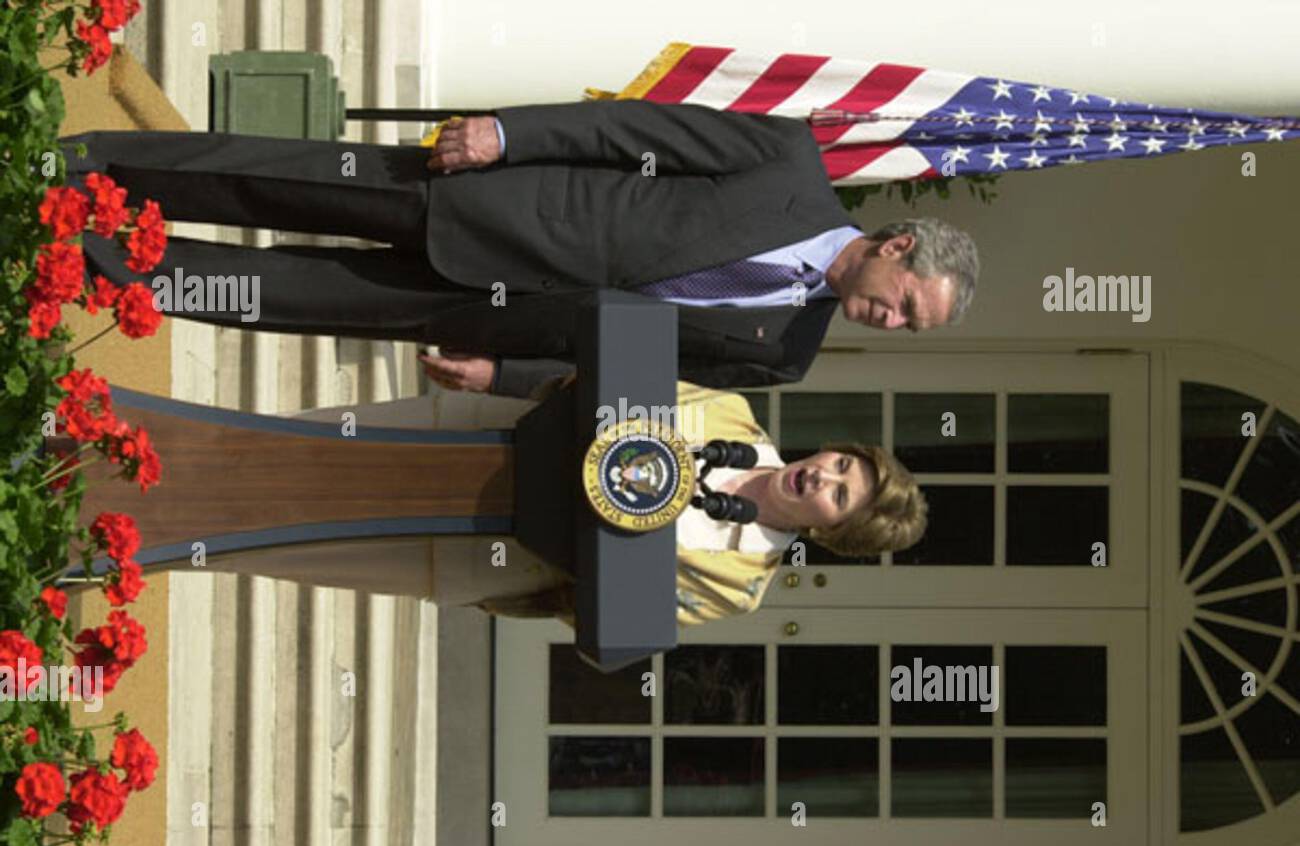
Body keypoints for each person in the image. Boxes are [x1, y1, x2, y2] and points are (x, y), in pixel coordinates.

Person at [61, 100, 978, 393]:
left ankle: (88, 262)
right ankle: (79, 168)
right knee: (268, 178)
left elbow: (634, 387)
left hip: (495, 317)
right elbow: (634, 129)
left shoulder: (786, 356)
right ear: (897, 243)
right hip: (489, 200)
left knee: (281, 291)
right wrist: (510, 133)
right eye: (905, 302)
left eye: (906, 329)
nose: (888, 319)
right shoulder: (787, 163)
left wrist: (503, 377)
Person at [189, 382, 928, 628]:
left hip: (488, 547)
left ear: (834, 534)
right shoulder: (731, 416)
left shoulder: (740, 586)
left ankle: (178, 541)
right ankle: (175, 446)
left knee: (306, 540)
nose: (821, 477)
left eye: (839, 496)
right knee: (305, 447)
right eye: (839, 464)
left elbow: (602, 608)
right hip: (493, 438)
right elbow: (608, 379)